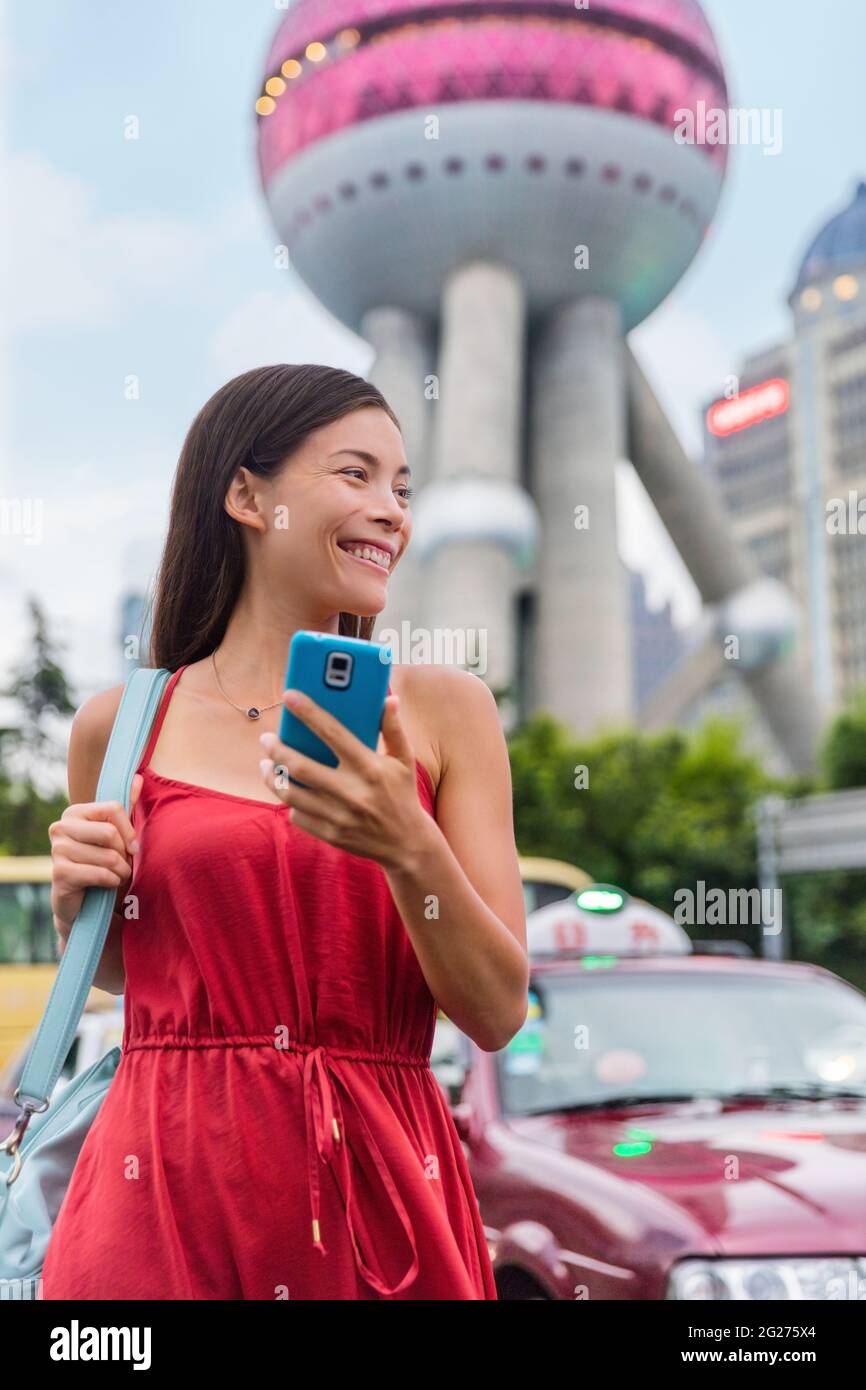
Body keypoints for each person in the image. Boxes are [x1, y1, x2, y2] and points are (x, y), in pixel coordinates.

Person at [42, 363, 528, 1300]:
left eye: (401, 488)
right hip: (155, 1197)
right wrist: (81, 914)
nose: (391, 510)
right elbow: (151, 980)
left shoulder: (443, 712)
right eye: (356, 475)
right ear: (246, 496)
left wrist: (405, 842)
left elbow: (497, 1010)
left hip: (377, 1193)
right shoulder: (121, 726)